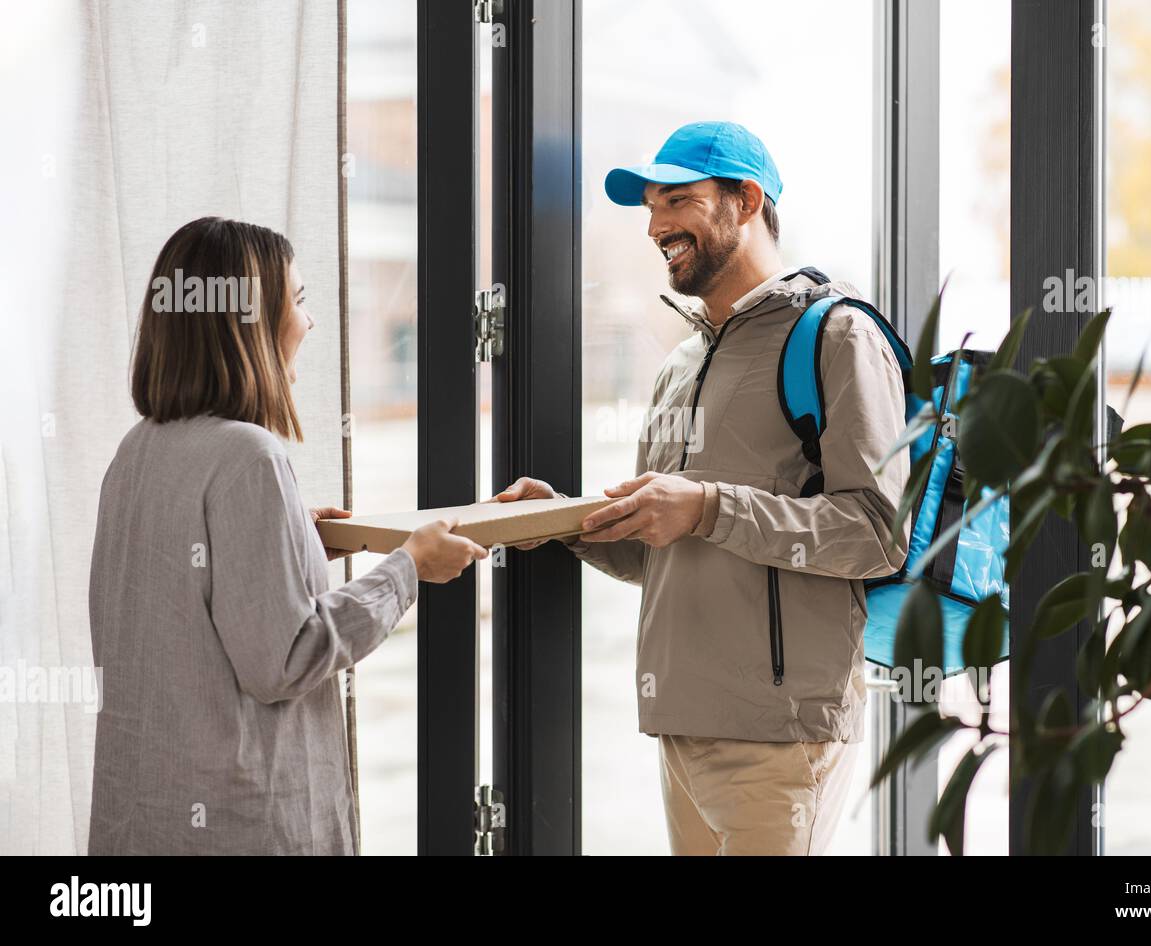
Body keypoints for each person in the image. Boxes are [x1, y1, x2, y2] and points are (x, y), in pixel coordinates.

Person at [497, 121, 910, 855]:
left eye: (677, 202)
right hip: (679, 723)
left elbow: (878, 534)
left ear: (746, 201)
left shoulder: (837, 336)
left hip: (777, 734)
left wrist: (709, 506)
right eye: (651, 208)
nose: (656, 226)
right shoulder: (680, 362)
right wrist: (562, 519)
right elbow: (654, 554)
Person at [87, 216, 486, 854]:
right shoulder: (249, 457)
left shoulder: (137, 452)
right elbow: (286, 659)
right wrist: (408, 570)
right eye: (297, 301)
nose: (307, 321)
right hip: (241, 826)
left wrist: (294, 542)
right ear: (248, 323)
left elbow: (186, 595)